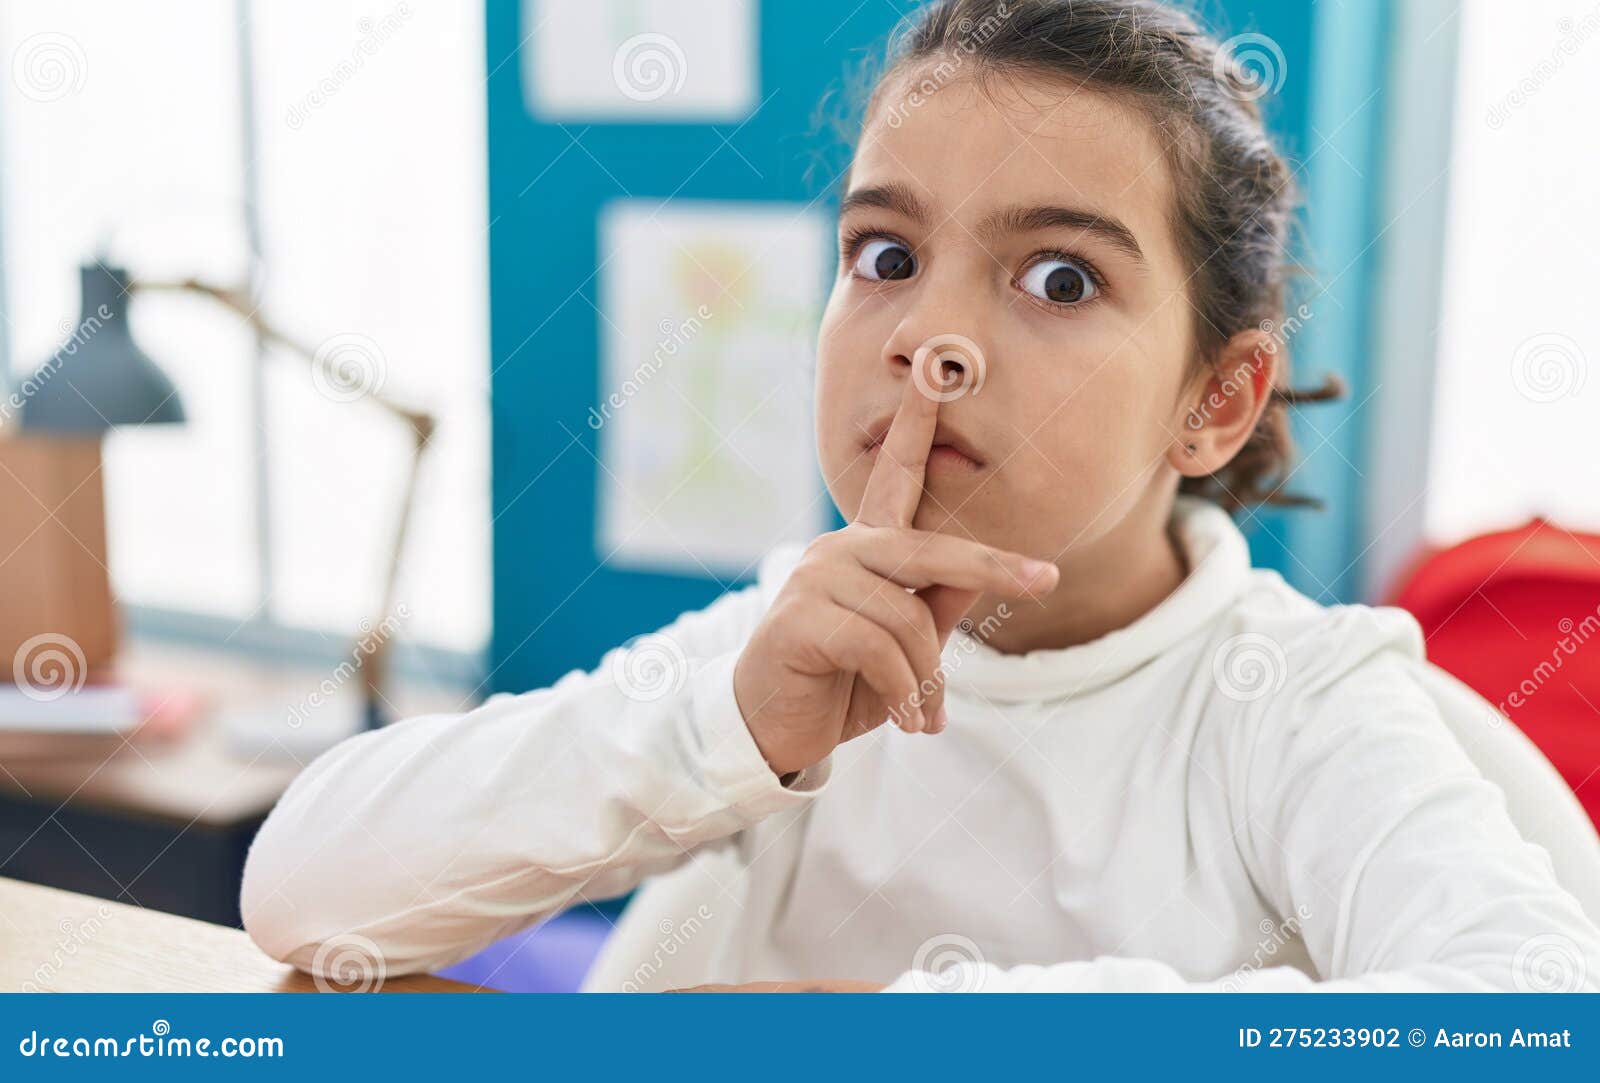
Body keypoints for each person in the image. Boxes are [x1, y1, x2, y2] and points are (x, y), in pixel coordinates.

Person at [240, 0, 1600, 992]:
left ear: (1218, 399)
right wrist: (720, 732)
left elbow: (1525, 1015)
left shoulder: (1296, 709)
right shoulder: (786, 643)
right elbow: (301, 892)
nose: (929, 343)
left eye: (1060, 278)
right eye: (885, 256)